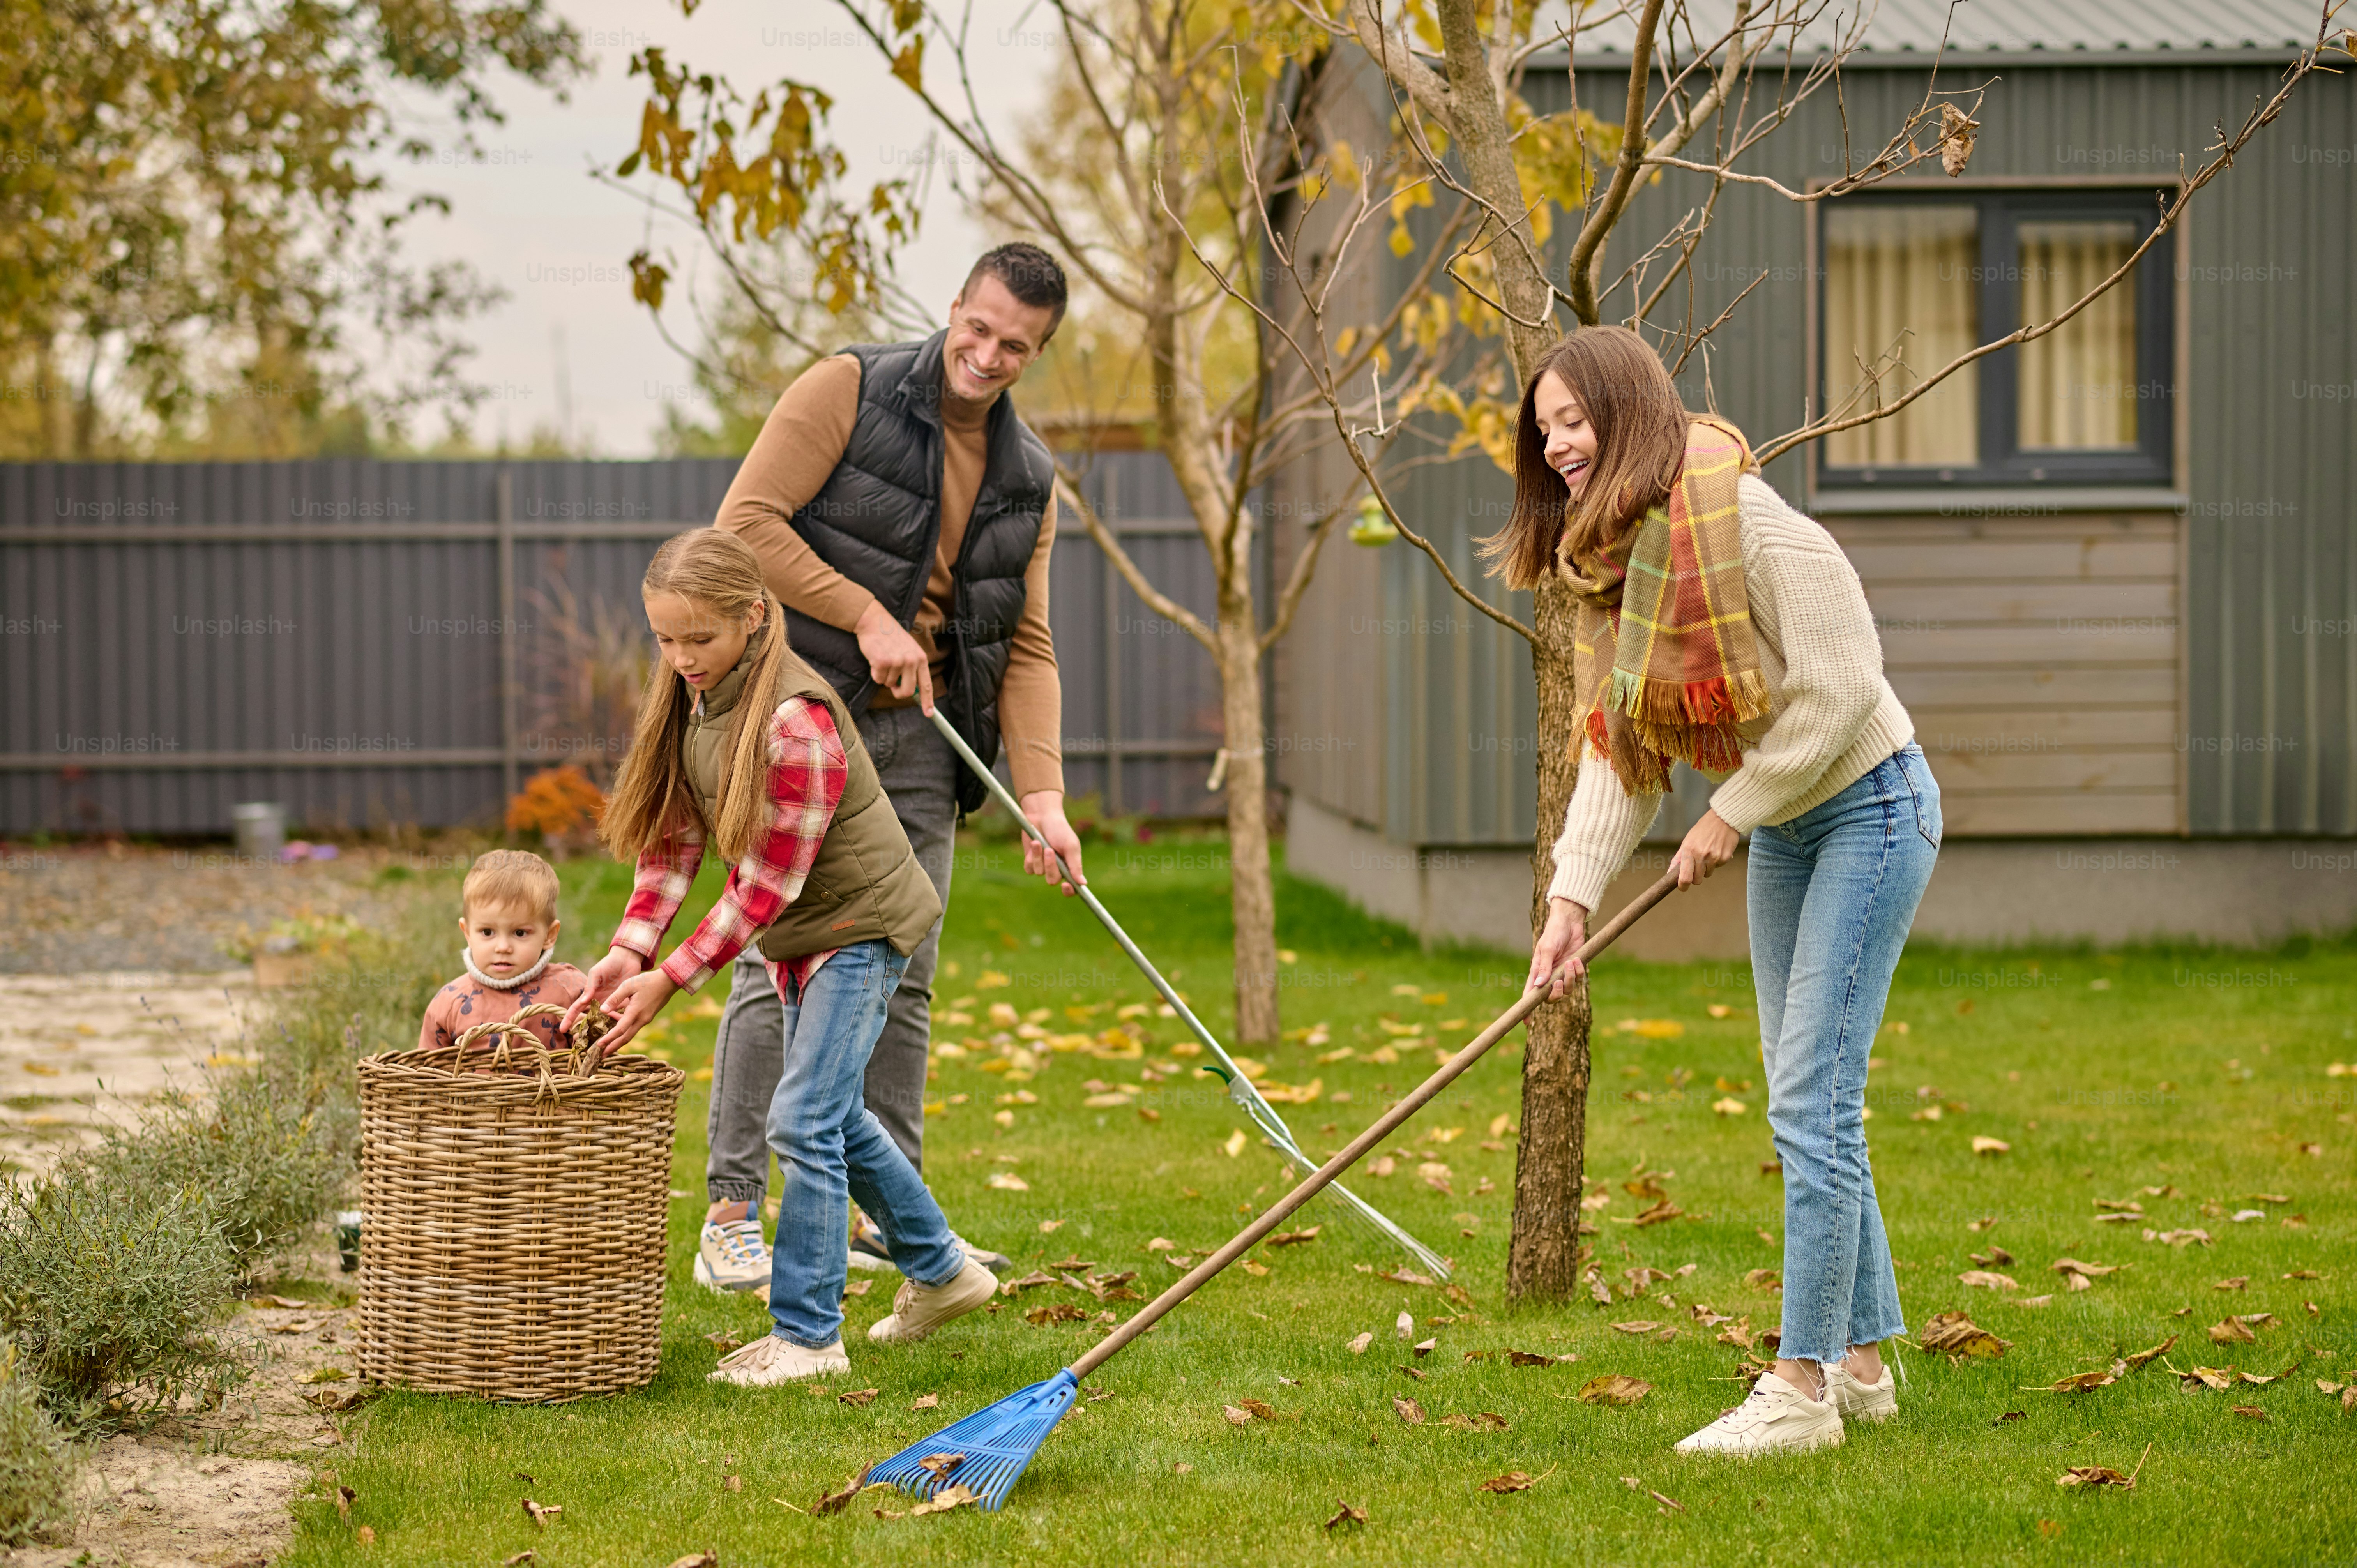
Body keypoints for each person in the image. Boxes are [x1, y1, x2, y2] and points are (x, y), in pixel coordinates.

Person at [1509, 326, 1939, 1456]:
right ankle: (1860, 1365)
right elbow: (1621, 747)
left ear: (1632, 411)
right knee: (1808, 1097)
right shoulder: (1620, 564)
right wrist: (1570, 903)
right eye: (1543, 426)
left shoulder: (1744, 523)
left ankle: (1799, 1392)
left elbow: (1846, 686)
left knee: (1813, 1100)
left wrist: (1729, 810)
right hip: (1793, 826)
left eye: (1575, 419)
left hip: (1873, 806)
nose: (1557, 444)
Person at [694, 241, 1084, 1290]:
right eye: (980, 327)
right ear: (954, 306)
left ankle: (893, 1221)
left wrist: (1043, 797)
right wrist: (866, 616)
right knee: (781, 954)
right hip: (808, 718)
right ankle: (734, 1211)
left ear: (1035, 352)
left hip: (924, 737)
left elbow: (1029, 644)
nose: (989, 353)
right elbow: (745, 527)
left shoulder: (1030, 477)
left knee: (900, 974)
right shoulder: (849, 387)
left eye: (1016, 346)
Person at [564, 529, 998, 1384]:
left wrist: (671, 979)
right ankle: (944, 1271)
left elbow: (763, 885)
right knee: (832, 1115)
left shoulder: (795, 721)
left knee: (801, 1118)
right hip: (809, 932)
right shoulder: (698, 703)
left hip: (861, 924)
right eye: (666, 638)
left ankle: (806, 1337)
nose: (682, 656)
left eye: (701, 638)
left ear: (755, 617)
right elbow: (673, 838)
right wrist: (630, 948)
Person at [418, 849, 588, 1051]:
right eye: (488, 932)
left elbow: (605, 1064)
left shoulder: (571, 990)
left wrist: (588, 1039)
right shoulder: (449, 1002)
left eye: (520, 933)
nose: (503, 948)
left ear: (549, 935)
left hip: (554, 1084)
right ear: (468, 934)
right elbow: (426, 1073)